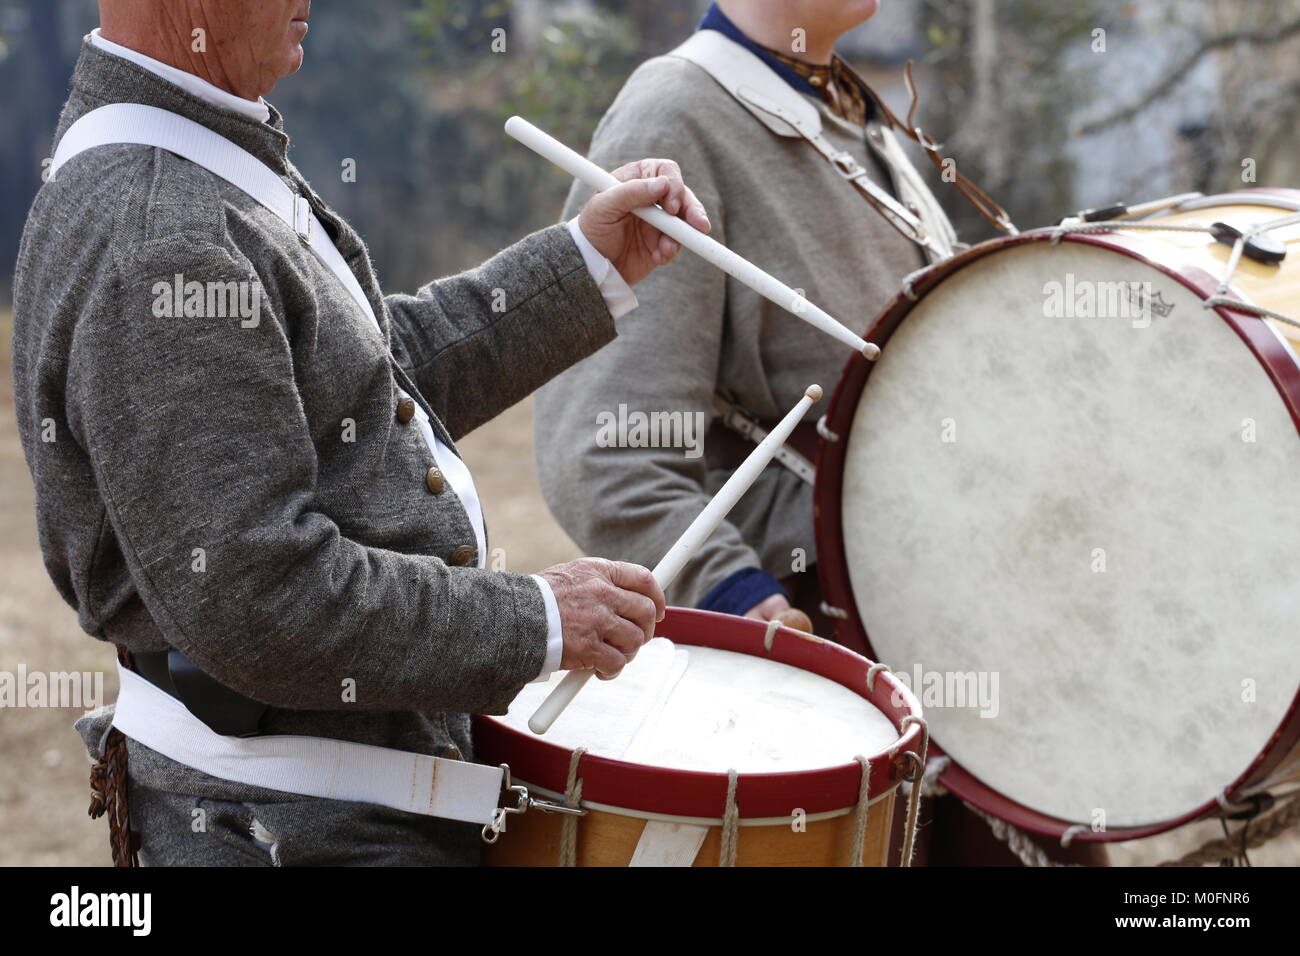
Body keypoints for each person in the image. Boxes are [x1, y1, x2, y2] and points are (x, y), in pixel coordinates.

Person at [11, 0, 710, 866]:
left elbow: (363, 391)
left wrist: (584, 265)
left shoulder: (194, 153)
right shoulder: (167, 236)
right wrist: (535, 620)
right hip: (300, 827)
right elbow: (258, 596)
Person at [533, 0, 1105, 866]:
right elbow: (607, 452)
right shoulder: (675, 113)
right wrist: (741, 603)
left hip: (962, 665)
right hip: (836, 700)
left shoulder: (849, 107)